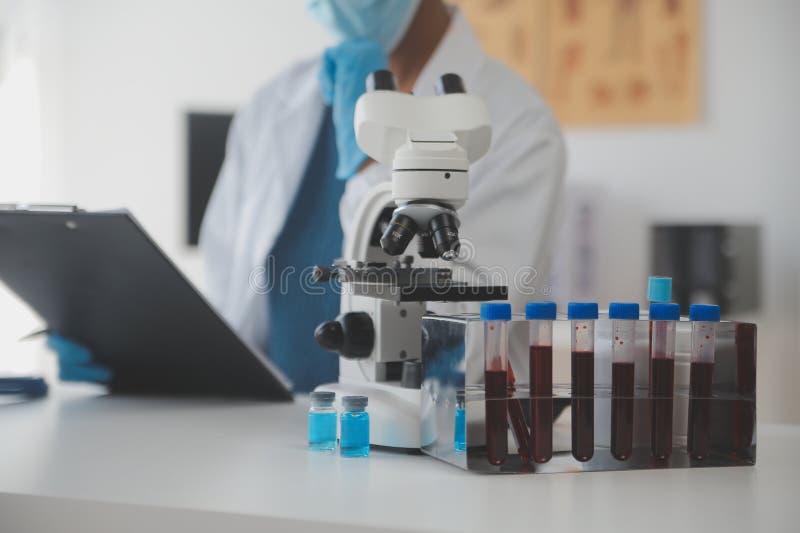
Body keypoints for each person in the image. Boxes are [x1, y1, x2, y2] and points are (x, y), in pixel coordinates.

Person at [48, 0, 565, 393]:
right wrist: (151, 353)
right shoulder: (276, 105)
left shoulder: (513, 121)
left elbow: (458, 348)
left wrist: (370, 168)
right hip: (274, 445)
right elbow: (233, 304)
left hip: (427, 448)